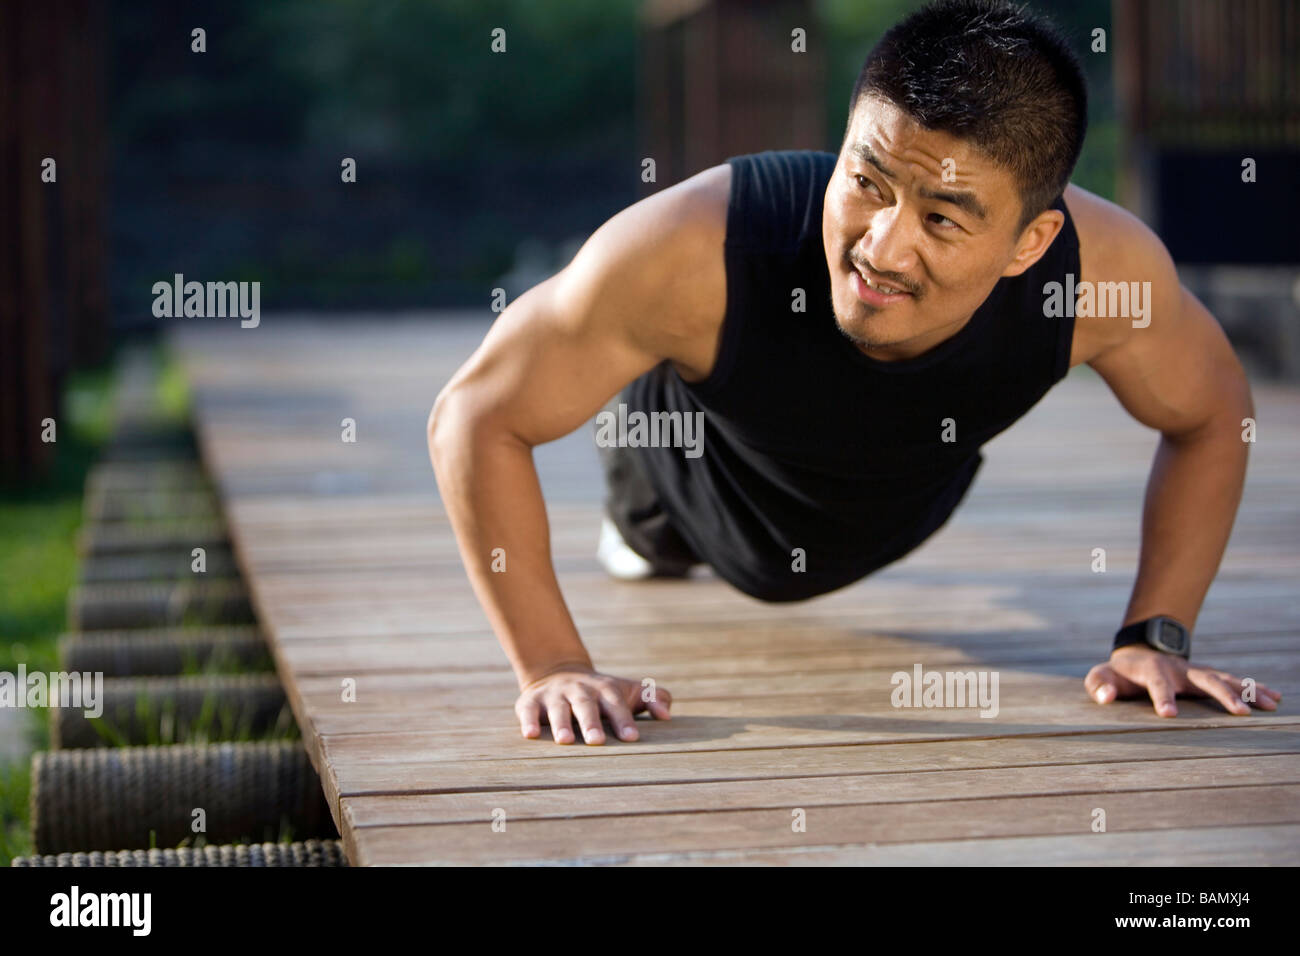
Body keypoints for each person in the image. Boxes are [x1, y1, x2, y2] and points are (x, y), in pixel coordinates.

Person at [428, 0, 1281, 745]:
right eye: (867, 181)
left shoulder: (1105, 278)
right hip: (696, 486)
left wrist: (1155, 634)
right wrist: (551, 666)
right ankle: (643, 525)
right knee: (646, 462)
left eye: (943, 219)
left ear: (1031, 243)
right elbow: (474, 414)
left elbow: (1214, 414)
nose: (881, 247)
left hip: (905, 496)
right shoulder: (693, 247)